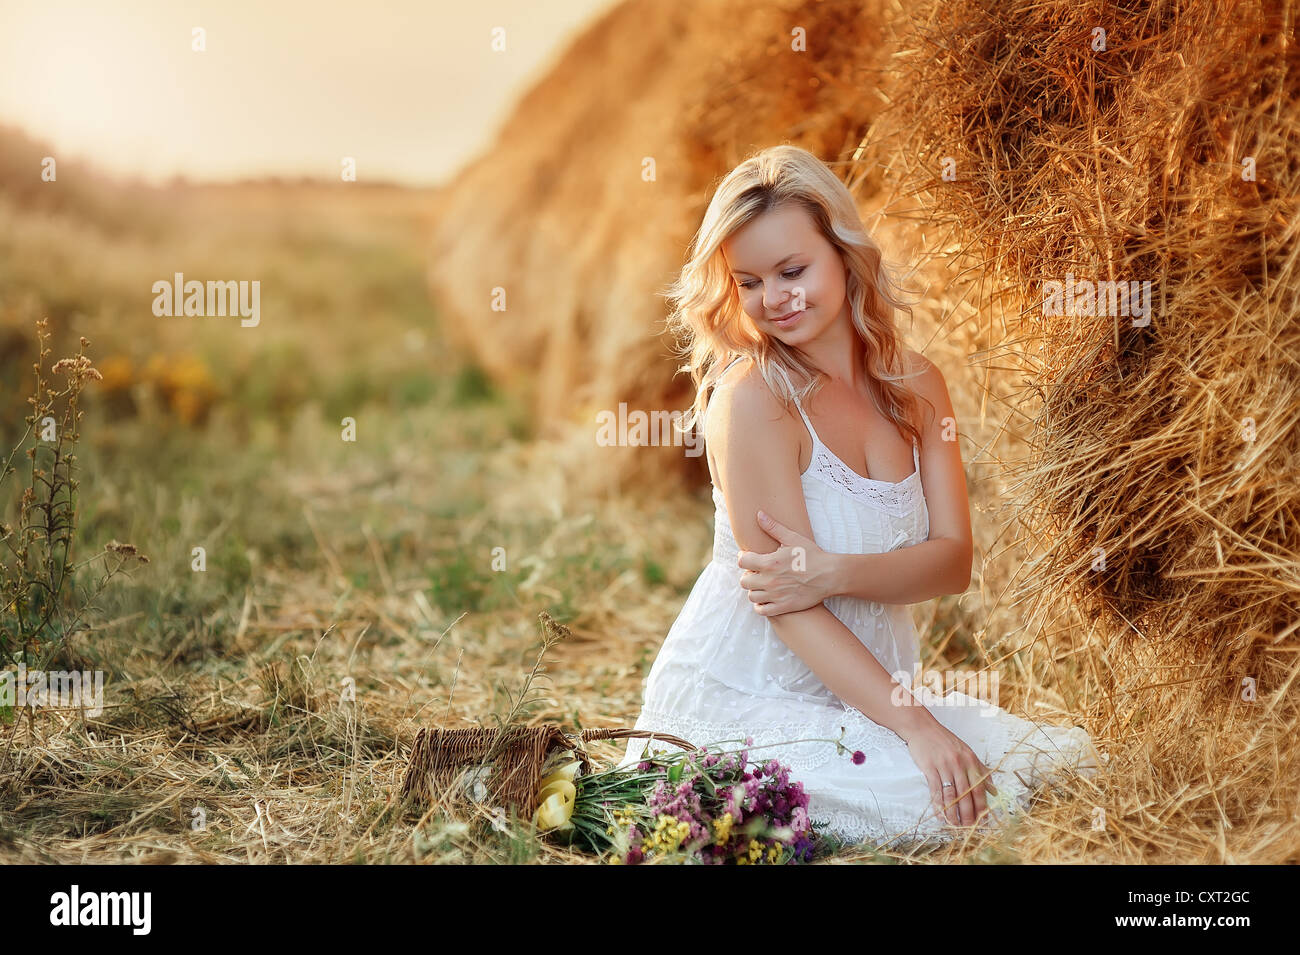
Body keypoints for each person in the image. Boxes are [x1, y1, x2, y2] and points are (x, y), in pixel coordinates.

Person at [618, 144, 1104, 849]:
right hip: (747, 699)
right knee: (959, 801)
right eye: (749, 281)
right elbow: (788, 605)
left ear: (843, 252)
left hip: (876, 694)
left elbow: (952, 561)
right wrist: (916, 725)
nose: (774, 299)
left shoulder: (919, 386)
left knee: (1050, 759)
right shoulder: (753, 400)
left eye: (793, 270)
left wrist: (839, 573)